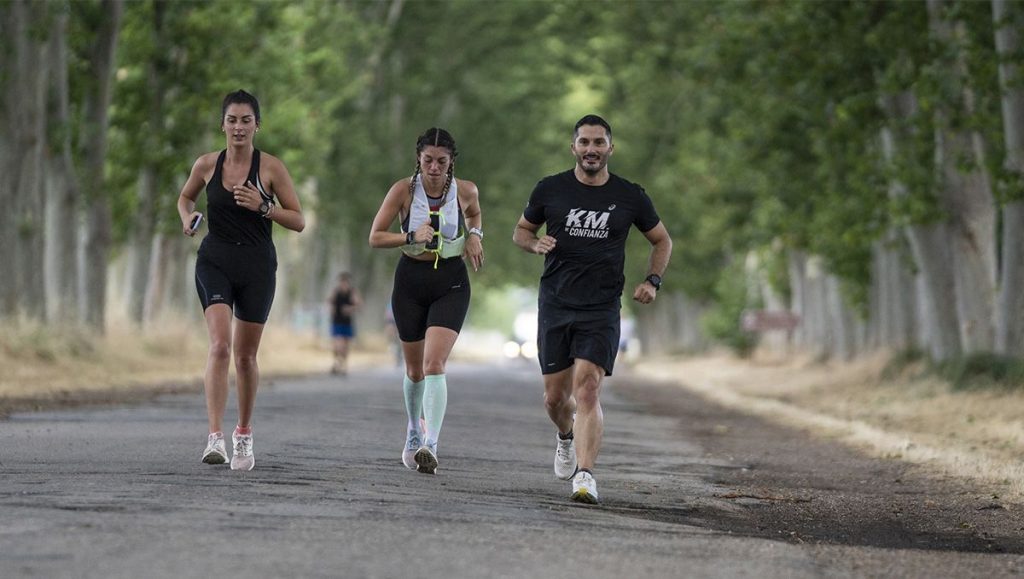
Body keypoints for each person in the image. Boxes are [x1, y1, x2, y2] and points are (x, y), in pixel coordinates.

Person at [513, 114, 672, 503]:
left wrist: (652, 281)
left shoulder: (630, 195)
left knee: (588, 389)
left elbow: (661, 241)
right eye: (584, 142)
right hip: (556, 303)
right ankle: (565, 436)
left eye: (599, 143)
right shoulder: (550, 189)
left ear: (610, 149)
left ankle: (585, 476)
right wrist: (534, 244)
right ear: (573, 148)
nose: (591, 149)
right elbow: (521, 231)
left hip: (601, 306)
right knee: (555, 399)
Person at [177, 90, 305, 471]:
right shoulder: (205, 165)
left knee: (245, 357)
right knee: (219, 346)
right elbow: (185, 199)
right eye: (231, 120)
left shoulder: (271, 168)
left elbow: (298, 220)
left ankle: (243, 435)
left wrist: (264, 207)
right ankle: (214, 437)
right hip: (215, 260)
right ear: (222, 124)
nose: (238, 127)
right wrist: (188, 217)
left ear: (257, 126)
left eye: (246, 120)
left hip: (257, 267)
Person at [369, 127, 484, 474]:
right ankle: (413, 431)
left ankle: (431, 444)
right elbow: (375, 237)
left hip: (451, 282)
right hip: (410, 282)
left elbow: (475, 215)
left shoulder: (466, 191)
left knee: (435, 364)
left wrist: (475, 235)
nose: (434, 168)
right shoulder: (403, 191)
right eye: (428, 160)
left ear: (451, 163)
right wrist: (409, 235)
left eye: (442, 162)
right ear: (418, 158)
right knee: (415, 370)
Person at [327, 272, 362, 376]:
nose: (343, 284)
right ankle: (338, 363)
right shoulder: (335, 292)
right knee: (337, 345)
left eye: (345, 282)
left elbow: (359, 305)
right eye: (342, 282)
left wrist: (350, 309)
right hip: (336, 321)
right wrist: (331, 308)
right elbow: (329, 302)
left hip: (347, 322)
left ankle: (342, 366)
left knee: (345, 345)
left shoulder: (352, 292)